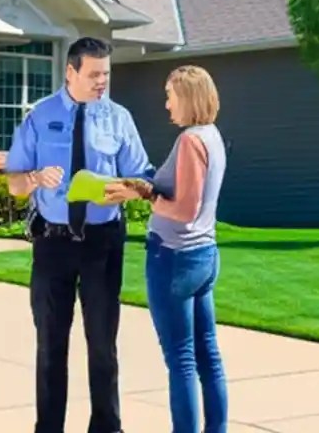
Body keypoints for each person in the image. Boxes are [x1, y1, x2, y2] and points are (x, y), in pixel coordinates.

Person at [4, 36, 154, 433]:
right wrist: (35, 178)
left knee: (103, 345)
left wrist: (128, 187)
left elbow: (143, 177)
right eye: (93, 74)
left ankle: (107, 427)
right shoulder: (39, 116)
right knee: (51, 346)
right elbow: (14, 185)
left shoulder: (119, 118)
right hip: (52, 244)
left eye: (106, 73)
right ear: (70, 72)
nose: (101, 81)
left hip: (102, 243)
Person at [106, 65, 229, 433]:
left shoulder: (191, 141)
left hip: (175, 258)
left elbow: (184, 208)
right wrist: (145, 186)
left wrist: (144, 195)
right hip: (204, 256)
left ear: (188, 97)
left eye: (170, 95)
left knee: (182, 360)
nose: (166, 104)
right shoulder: (212, 136)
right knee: (207, 356)